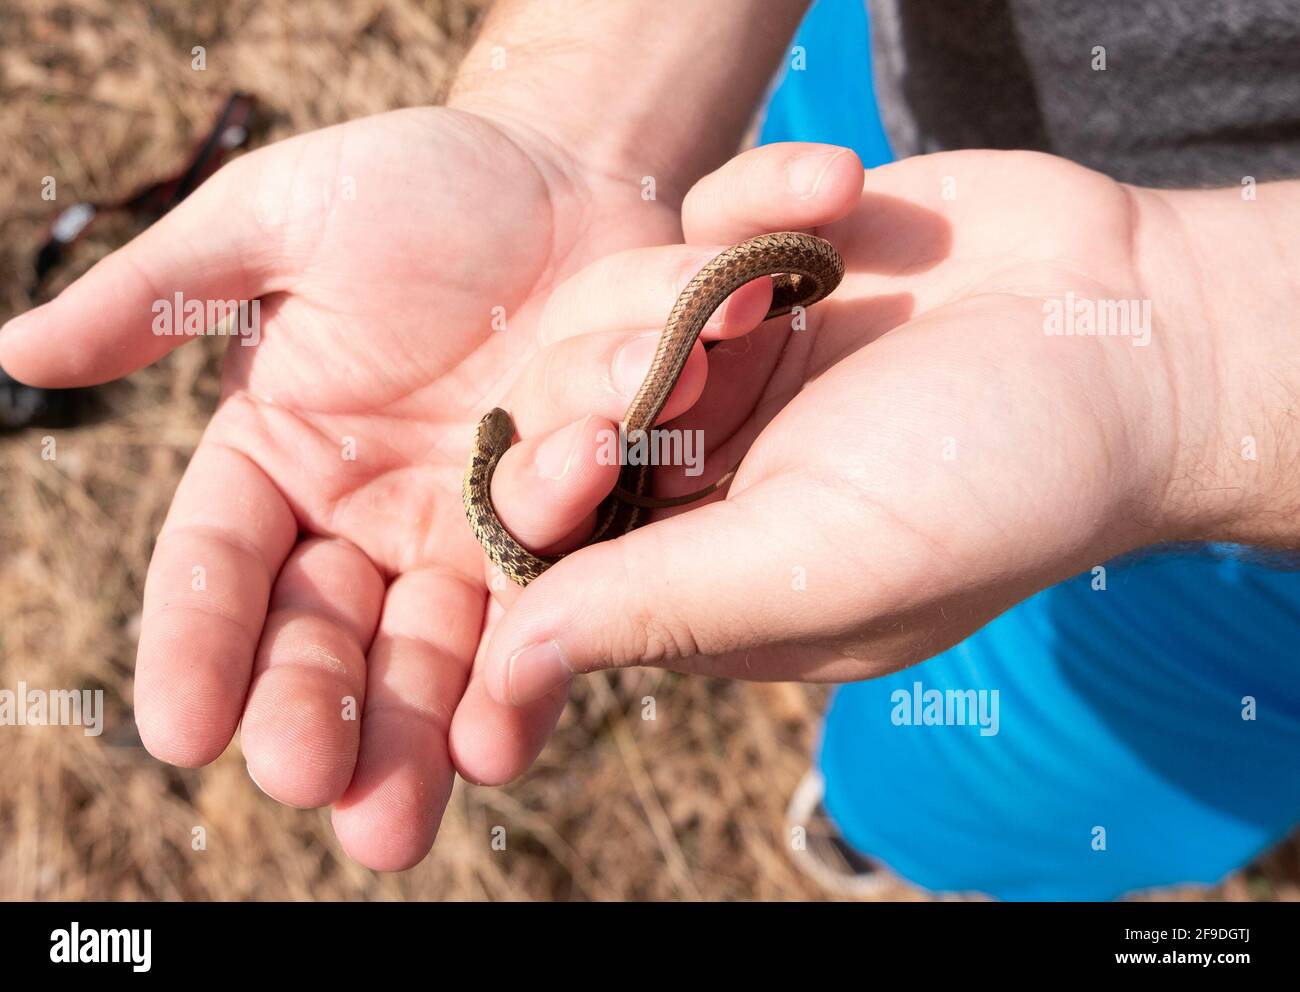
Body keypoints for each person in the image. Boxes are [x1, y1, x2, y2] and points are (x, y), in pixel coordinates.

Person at [2, 0, 1298, 897]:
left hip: (1251, 489)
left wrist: (1182, 355)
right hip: (914, 190)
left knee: (959, 793)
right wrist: (582, 135)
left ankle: (905, 838)